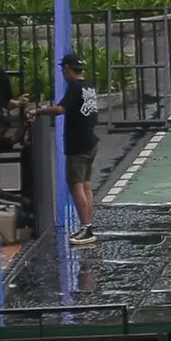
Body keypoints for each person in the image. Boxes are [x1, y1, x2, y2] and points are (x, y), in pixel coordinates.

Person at [34, 51, 99, 246]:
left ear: (69, 69)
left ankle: (86, 227)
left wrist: (39, 110)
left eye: (63, 69)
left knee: (76, 186)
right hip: (90, 141)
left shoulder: (74, 87)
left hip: (77, 144)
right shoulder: (89, 85)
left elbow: (61, 109)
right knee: (86, 185)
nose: (63, 74)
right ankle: (88, 225)